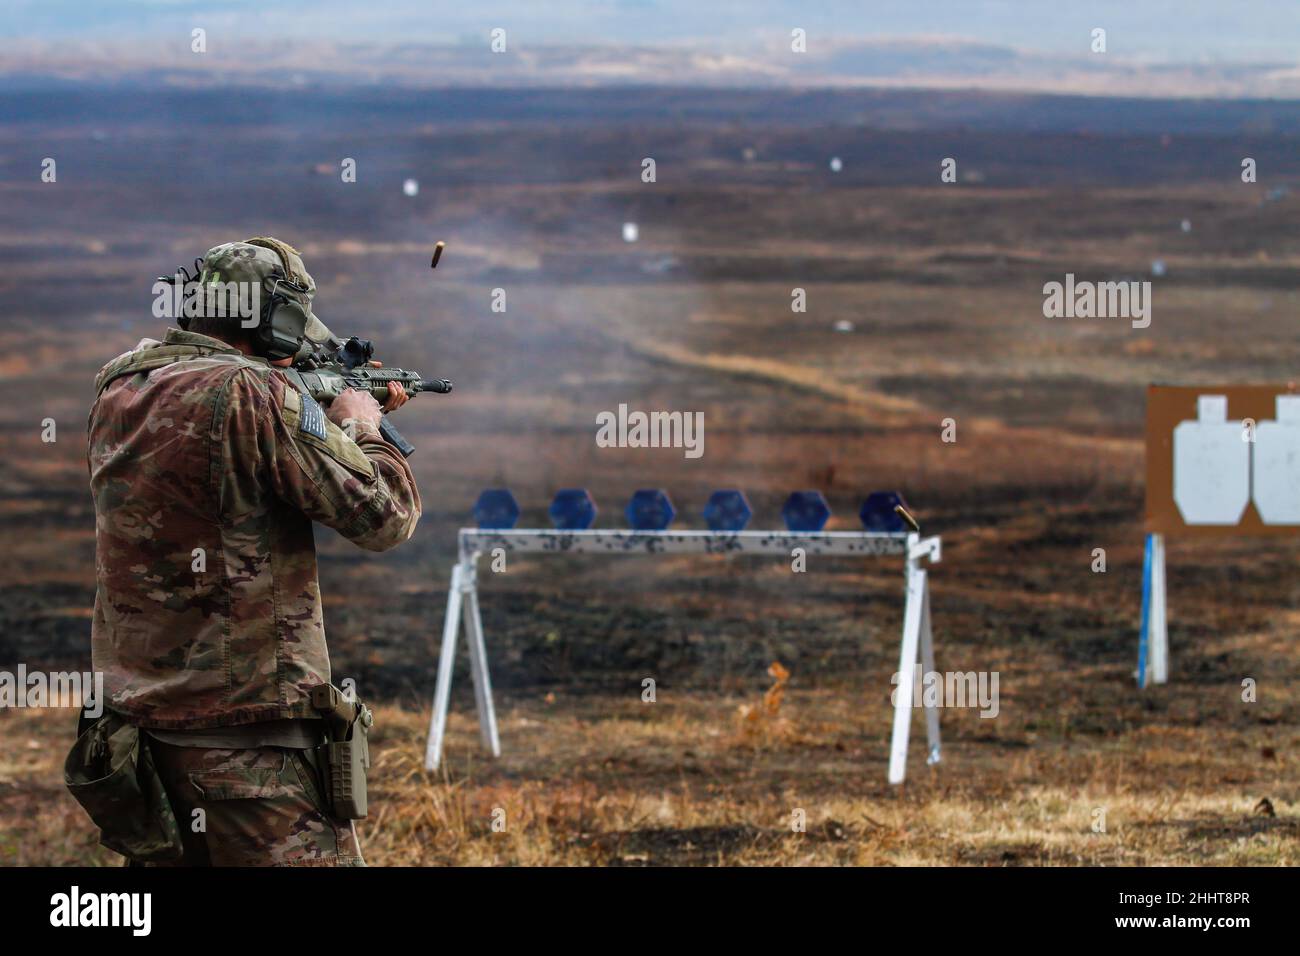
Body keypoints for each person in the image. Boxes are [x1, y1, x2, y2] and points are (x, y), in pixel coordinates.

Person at [84, 237, 420, 865]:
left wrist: (302, 400)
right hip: (251, 744)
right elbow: (385, 516)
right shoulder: (255, 395)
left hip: (144, 732)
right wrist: (362, 425)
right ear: (276, 319)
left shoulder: (120, 386)